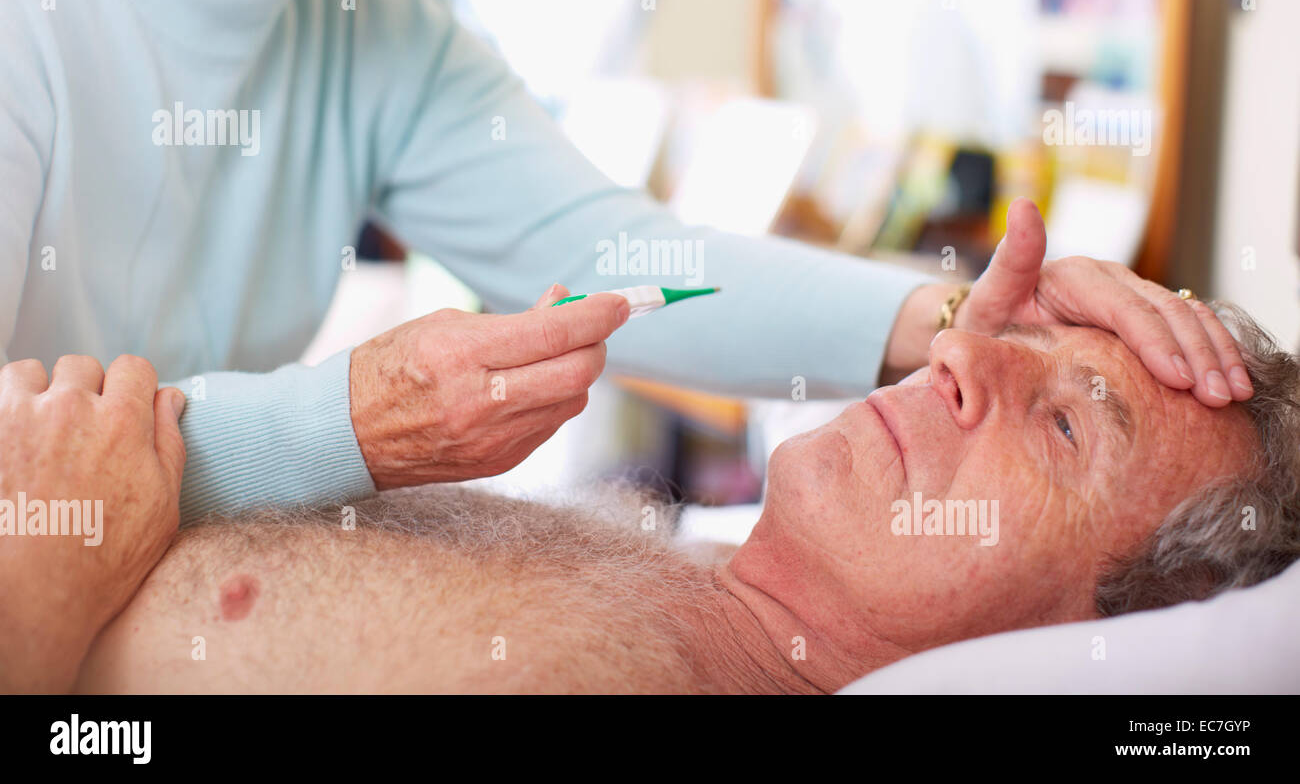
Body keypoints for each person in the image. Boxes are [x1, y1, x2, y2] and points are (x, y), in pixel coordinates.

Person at [0, 0, 1256, 689]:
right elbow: (46, 470)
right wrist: (347, 419)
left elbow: (619, 258)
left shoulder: (371, 21)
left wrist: (954, 320)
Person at [70, 302, 1300, 693]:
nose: (960, 353)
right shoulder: (675, 577)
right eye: (1019, 336)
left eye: (1067, 420)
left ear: (1115, 626)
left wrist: (29, 609)